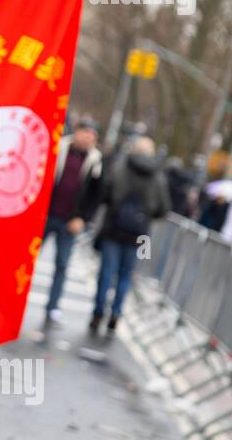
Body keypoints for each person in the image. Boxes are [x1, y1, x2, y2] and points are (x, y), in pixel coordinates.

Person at [91, 134, 169, 335]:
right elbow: (163, 208)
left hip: (114, 229)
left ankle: (99, 311)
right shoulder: (157, 175)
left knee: (107, 272)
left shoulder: (121, 166)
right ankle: (116, 313)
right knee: (126, 275)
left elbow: (106, 192)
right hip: (141, 234)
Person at [41, 118, 103, 327]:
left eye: (92, 135)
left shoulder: (96, 161)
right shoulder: (58, 148)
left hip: (70, 220)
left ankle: (52, 306)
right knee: (27, 260)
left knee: (62, 264)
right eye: (85, 132)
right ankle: (13, 299)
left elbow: (96, 196)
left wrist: (82, 218)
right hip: (46, 214)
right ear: (76, 132)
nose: (88, 138)